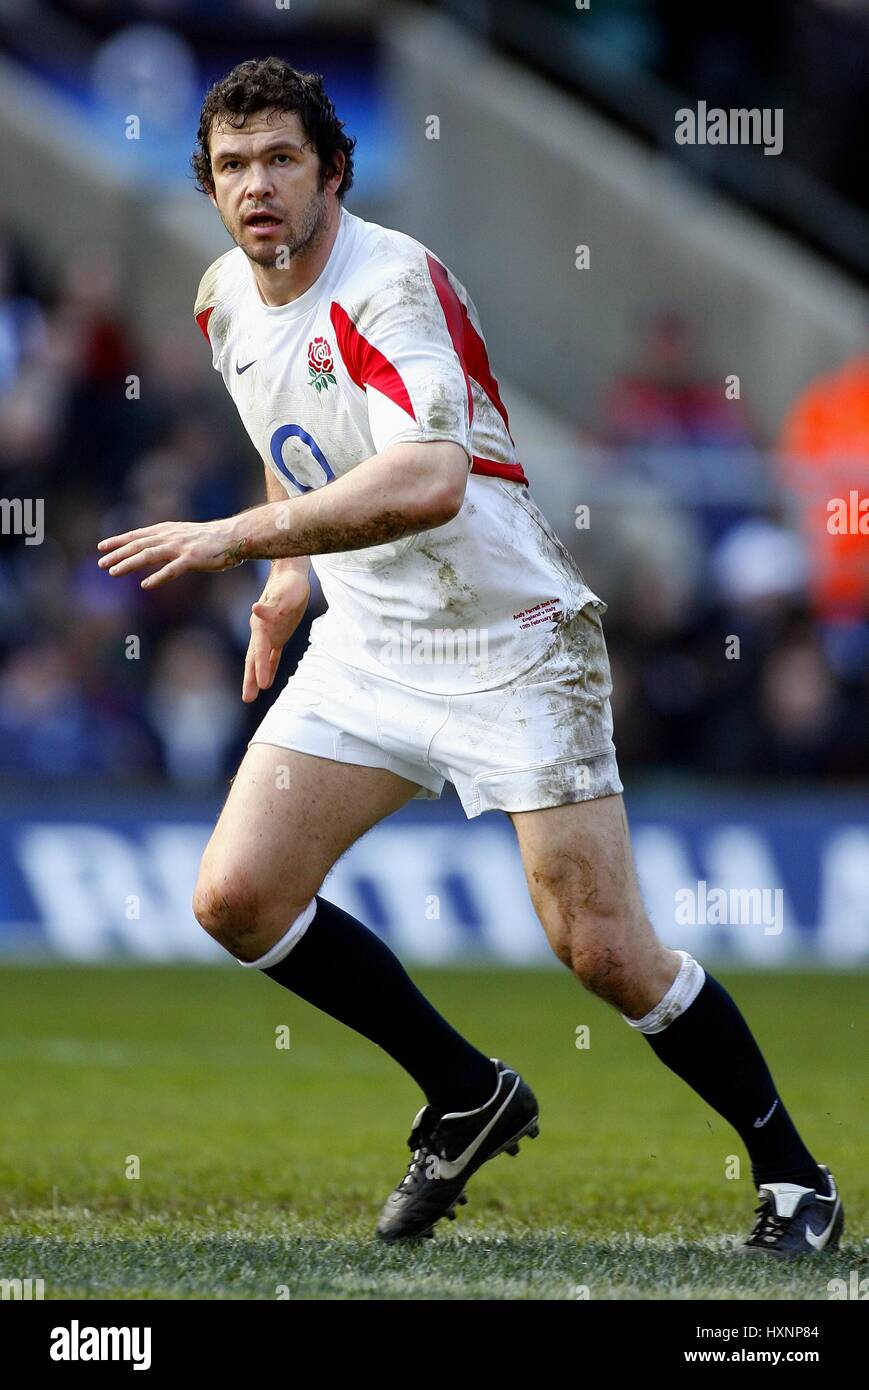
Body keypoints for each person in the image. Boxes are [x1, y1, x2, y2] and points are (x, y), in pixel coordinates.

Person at [98, 58, 842, 1253]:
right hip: (368, 641)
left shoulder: (387, 282)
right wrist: (291, 578)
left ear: (332, 171)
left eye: (282, 158)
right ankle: (462, 1092)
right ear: (207, 185)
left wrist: (240, 541)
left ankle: (794, 1178)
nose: (257, 187)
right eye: (232, 166)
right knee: (236, 898)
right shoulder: (221, 300)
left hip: (509, 639)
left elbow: (431, 477)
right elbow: (315, 455)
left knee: (601, 950)